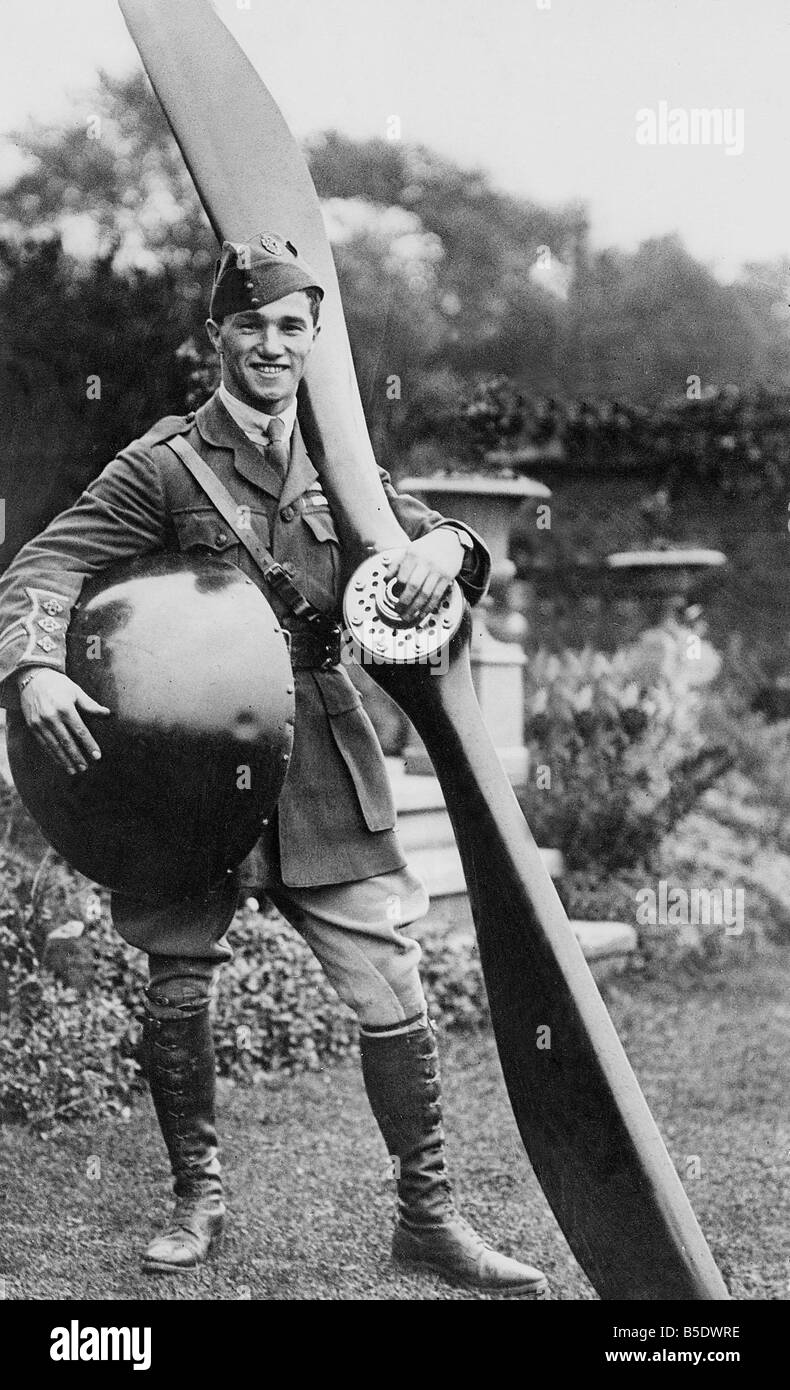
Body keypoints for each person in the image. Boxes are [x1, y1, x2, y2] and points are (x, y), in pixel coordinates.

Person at [0, 234, 547, 1297]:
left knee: (387, 980)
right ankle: (195, 1199)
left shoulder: (338, 461)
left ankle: (428, 1218)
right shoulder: (161, 464)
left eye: (289, 326)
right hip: (189, 757)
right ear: (218, 339)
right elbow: (46, 562)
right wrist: (31, 668)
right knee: (179, 980)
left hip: (316, 755)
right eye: (248, 325)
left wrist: (445, 547)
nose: (269, 344)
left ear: (313, 339)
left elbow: (414, 532)